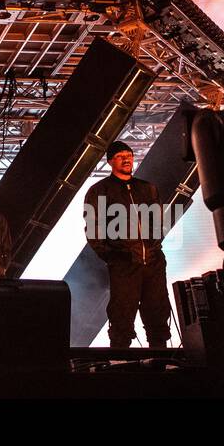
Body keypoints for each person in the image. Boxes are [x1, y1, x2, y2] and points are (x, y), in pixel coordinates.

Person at [83, 141, 170, 348]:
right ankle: (120, 365)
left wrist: (154, 248)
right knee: (122, 318)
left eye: (129, 154)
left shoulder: (147, 188)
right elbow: (93, 228)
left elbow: (159, 223)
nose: (126, 158)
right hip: (124, 264)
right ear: (110, 161)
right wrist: (113, 256)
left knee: (157, 314)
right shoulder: (99, 190)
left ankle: (160, 365)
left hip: (153, 262)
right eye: (121, 155)